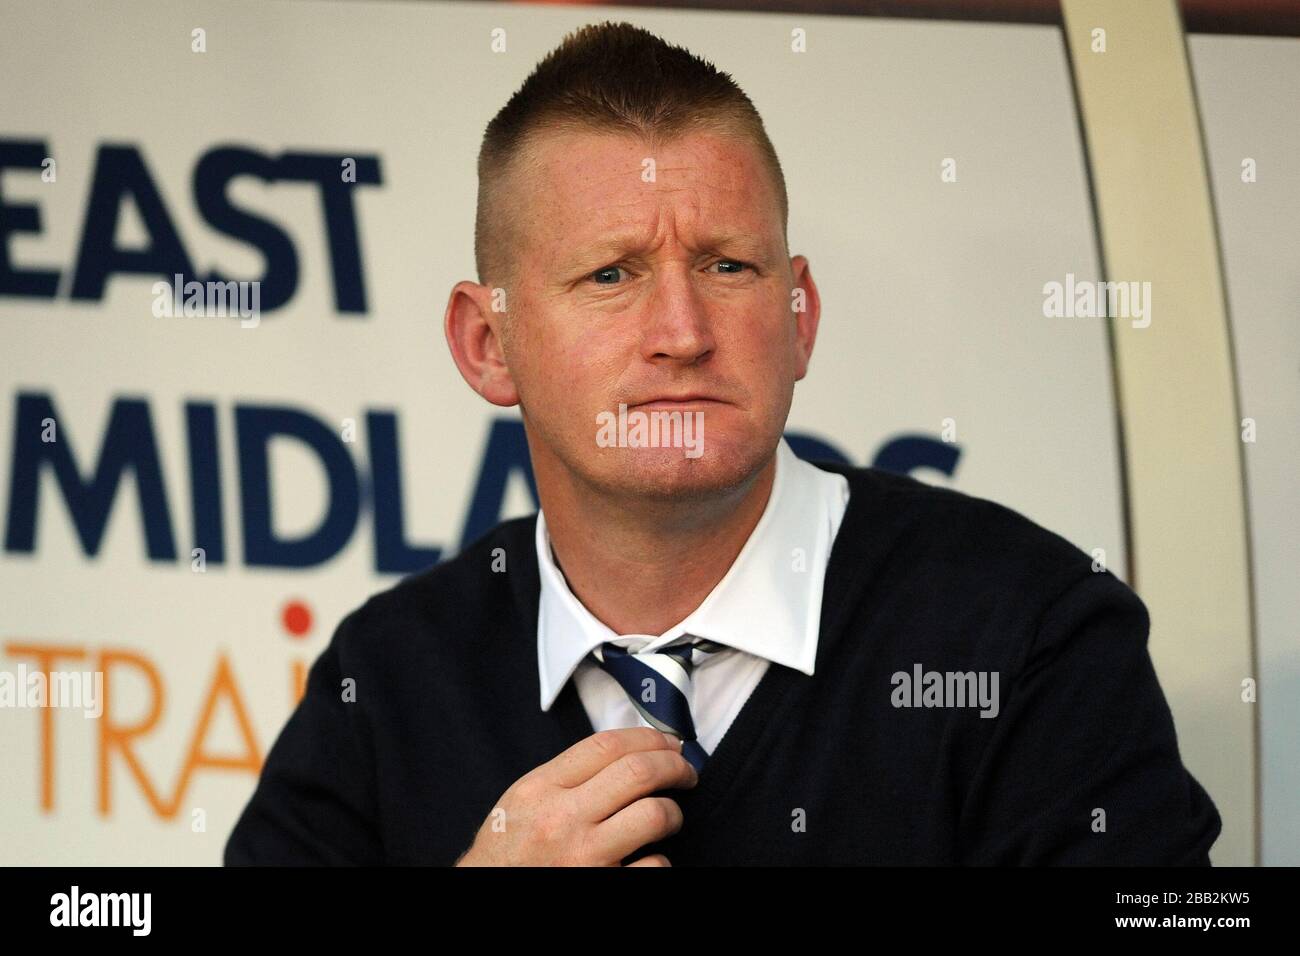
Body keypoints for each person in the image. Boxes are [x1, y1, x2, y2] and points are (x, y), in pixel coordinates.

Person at [224, 20, 1221, 866]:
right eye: (611, 275)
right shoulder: (388, 679)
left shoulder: (1030, 637)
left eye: (727, 265)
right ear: (488, 345)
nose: (682, 331)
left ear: (798, 316)